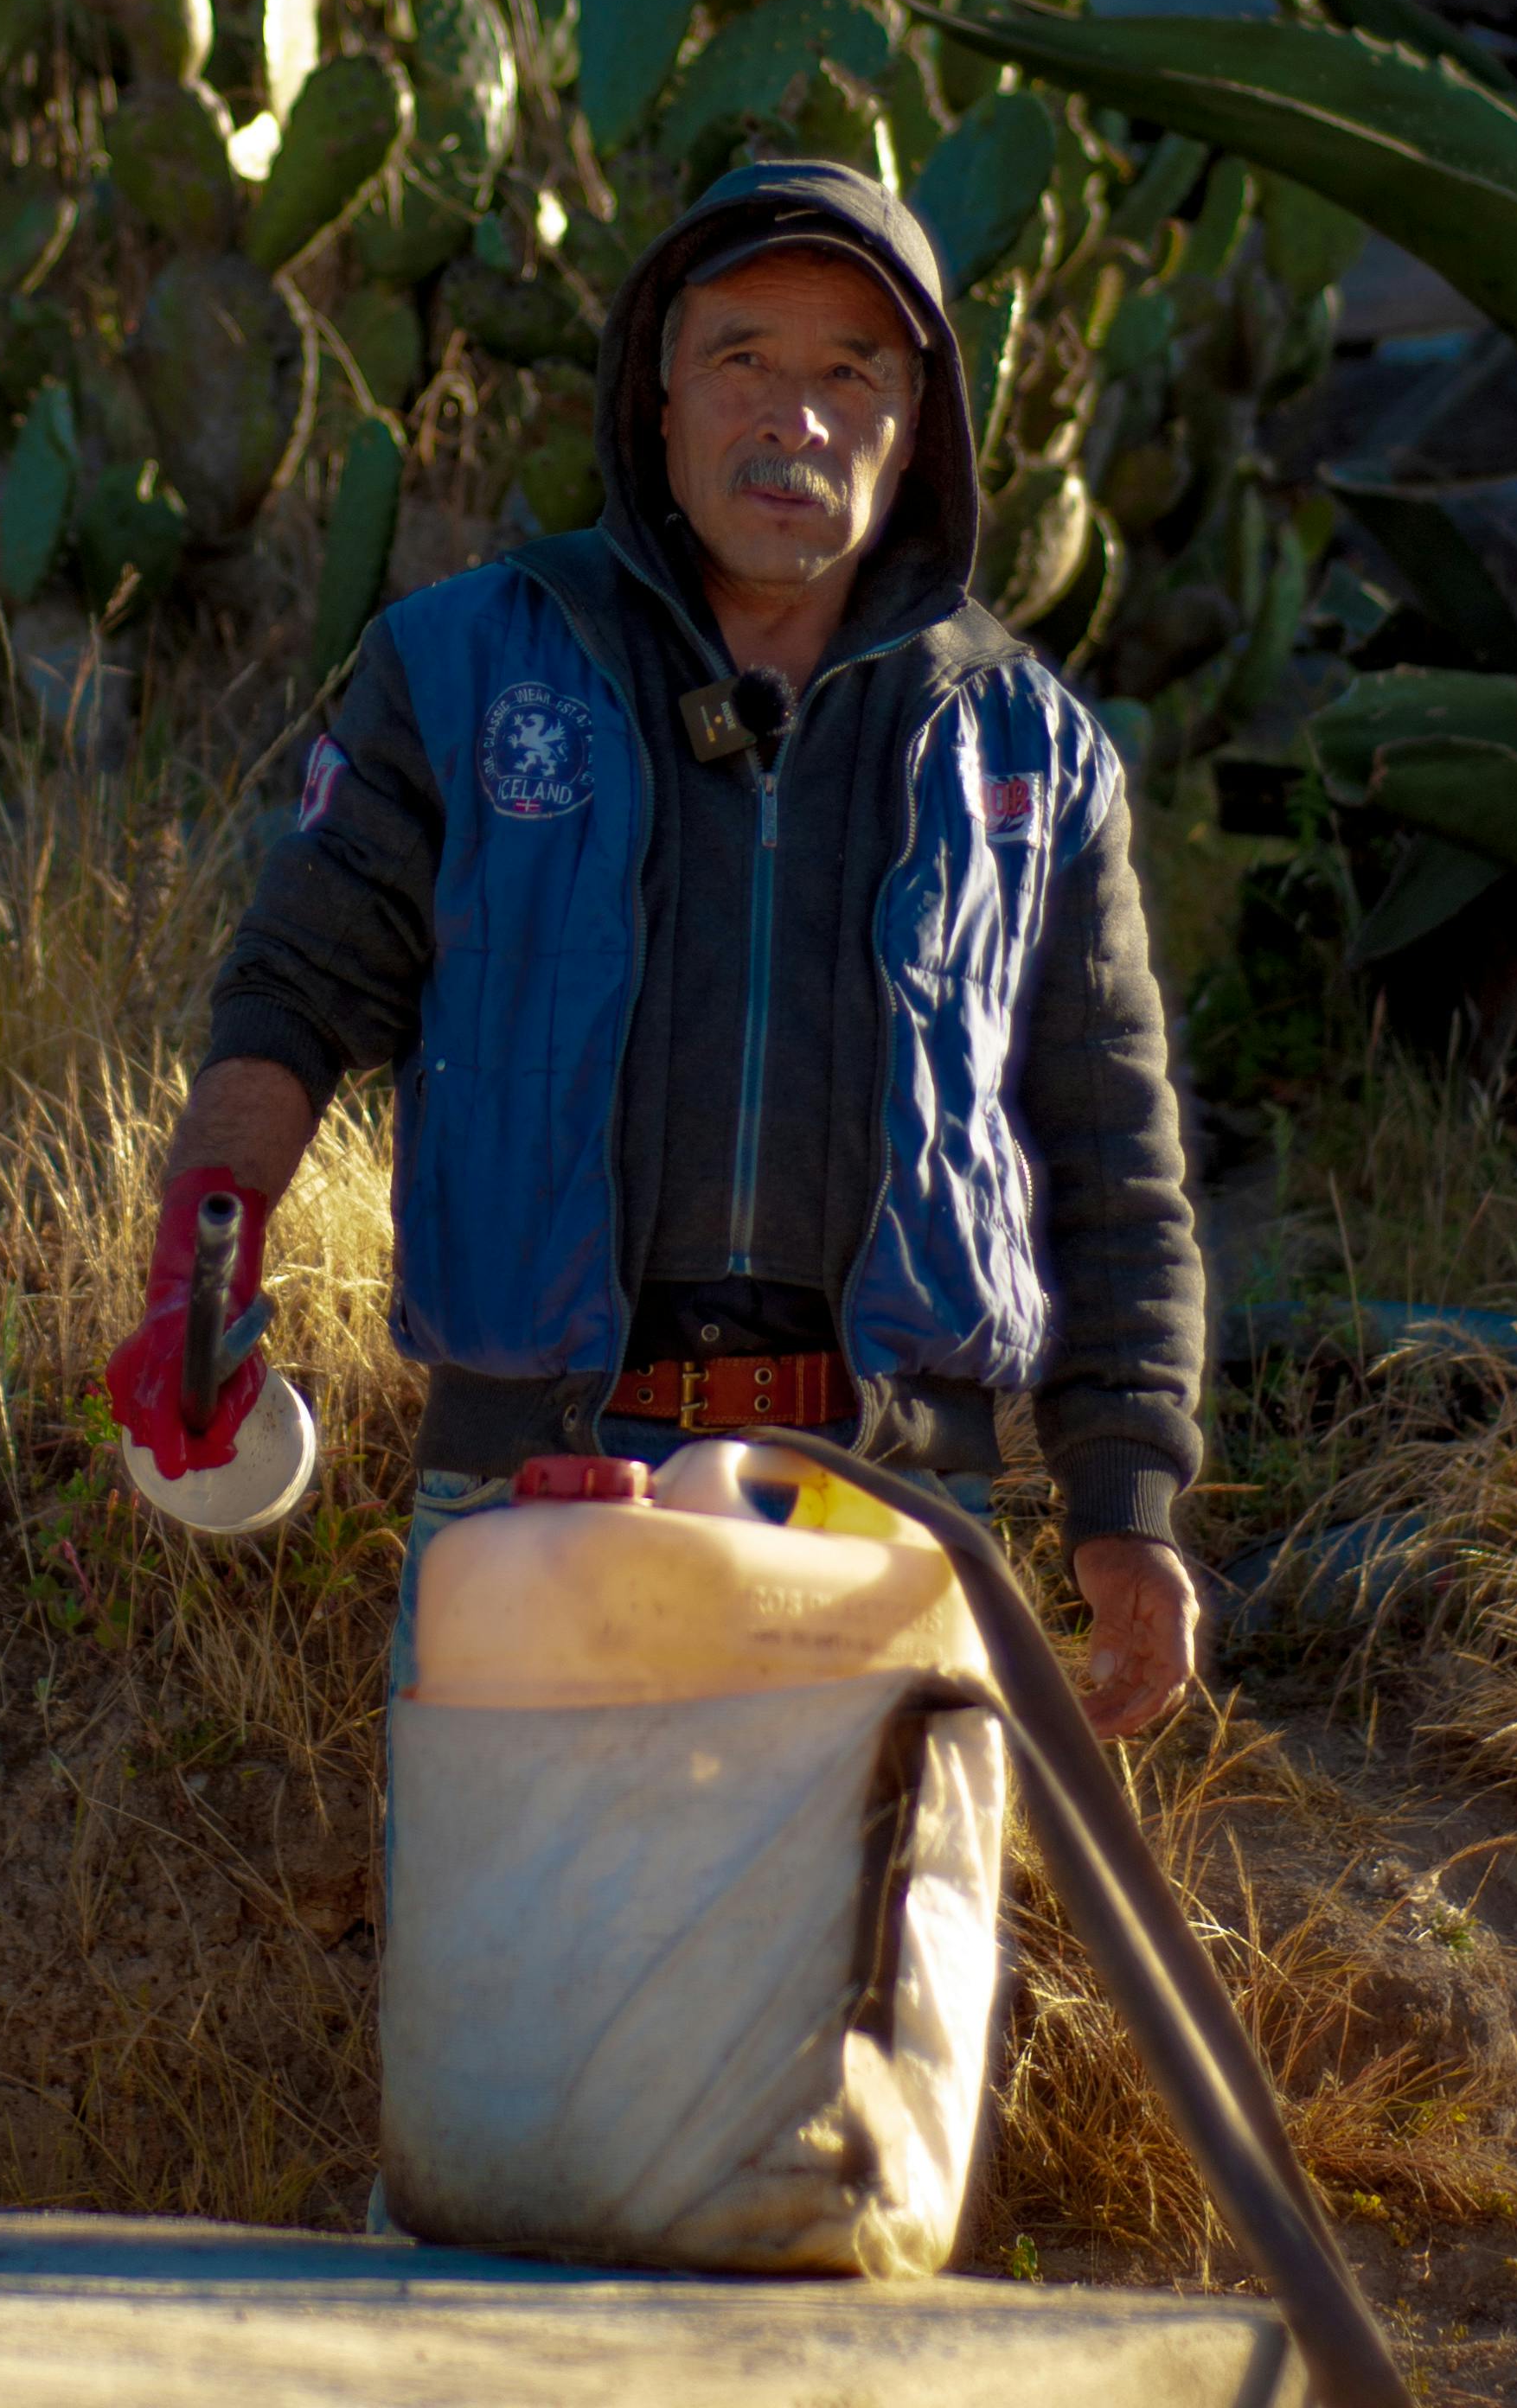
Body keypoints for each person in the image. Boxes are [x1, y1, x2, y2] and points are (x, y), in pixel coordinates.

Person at [107, 158, 1204, 1738]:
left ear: (922, 428)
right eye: (744, 357)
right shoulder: (465, 666)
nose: (797, 415)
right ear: (660, 398)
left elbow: (1111, 1151)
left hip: (894, 1504)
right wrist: (197, 1261)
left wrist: (1128, 1506)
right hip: (535, 1482)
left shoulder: (1028, 750)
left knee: (872, 1973)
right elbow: (295, 991)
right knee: (522, 1967)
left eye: (853, 372)